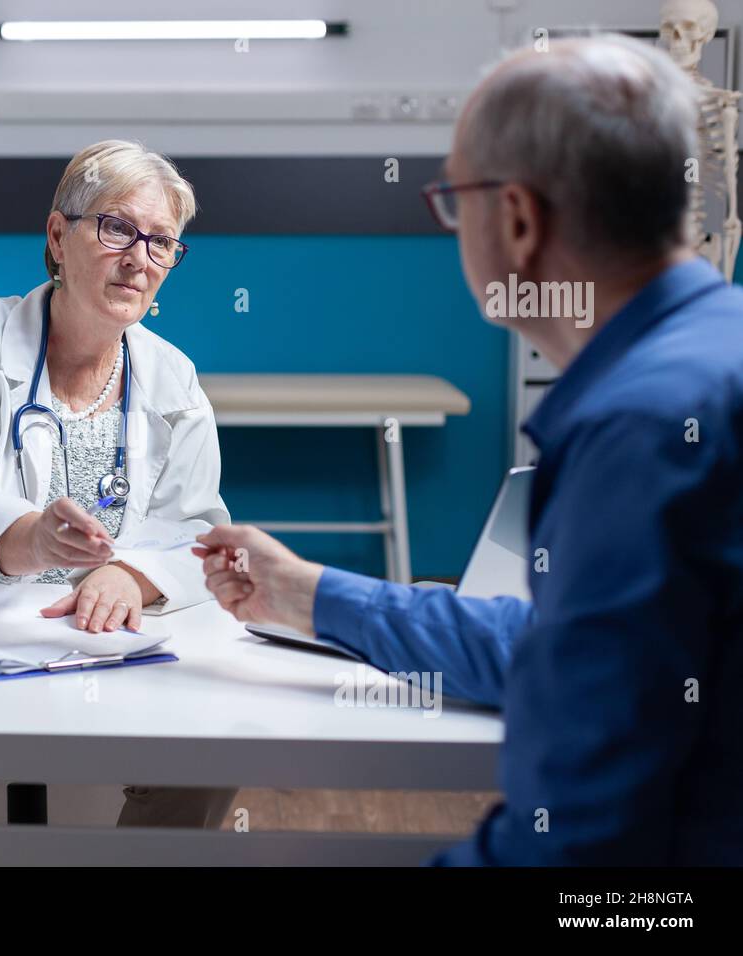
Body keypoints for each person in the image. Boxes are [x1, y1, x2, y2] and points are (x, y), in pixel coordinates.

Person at [194, 35, 743, 865]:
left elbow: (587, 857)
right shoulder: (710, 361)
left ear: (517, 219)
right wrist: (311, 594)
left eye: (454, 200)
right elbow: (563, 651)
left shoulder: (643, 429)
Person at [0, 140, 235, 828]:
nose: (139, 259)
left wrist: (132, 576)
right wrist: (30, 539)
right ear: (59, 236)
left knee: (207, 761)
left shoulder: (174, 378)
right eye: (118, 227)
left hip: (104, 635)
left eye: (162, 243)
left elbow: (198, 529)